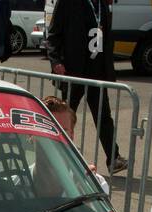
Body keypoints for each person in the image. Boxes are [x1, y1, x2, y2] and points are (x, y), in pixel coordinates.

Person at [46, 0, 127, 174]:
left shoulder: (101, 4)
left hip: (96, 73)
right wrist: (56, 61)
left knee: (103, 116)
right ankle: (58, 155)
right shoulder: (67, 3)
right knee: (65, 116)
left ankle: (113, 158)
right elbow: (53, 35)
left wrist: (108, 71)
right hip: (73, 73)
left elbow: (106, 38)